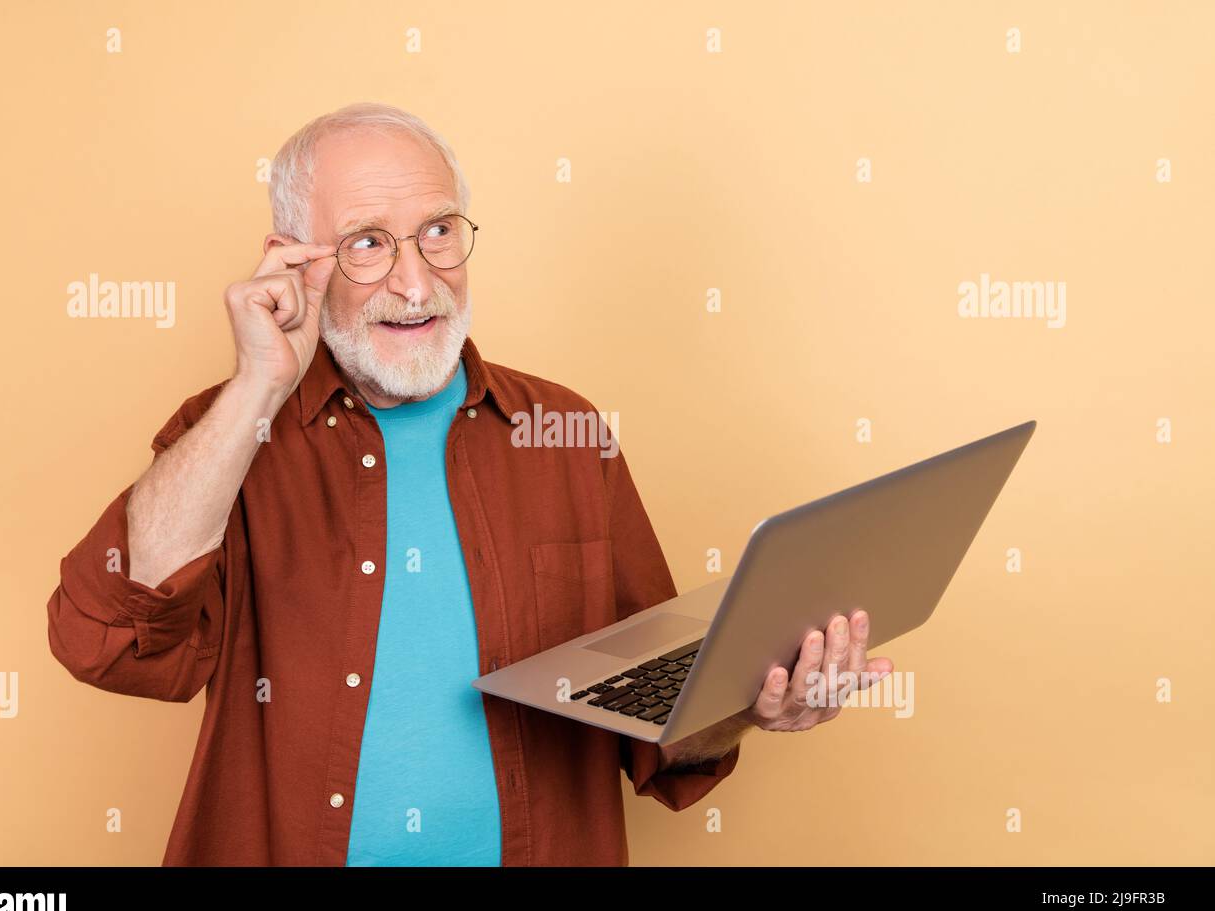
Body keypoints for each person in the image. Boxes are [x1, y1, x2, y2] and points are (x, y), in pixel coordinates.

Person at [46, 102, 892, 866]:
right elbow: (107, 639)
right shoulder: (228, 431)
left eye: (439, 231)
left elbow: (658, 722)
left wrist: (757, 703)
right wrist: (257, 388)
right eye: (368, 243)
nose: (417, 284)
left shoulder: (565, 433)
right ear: (296, 261)